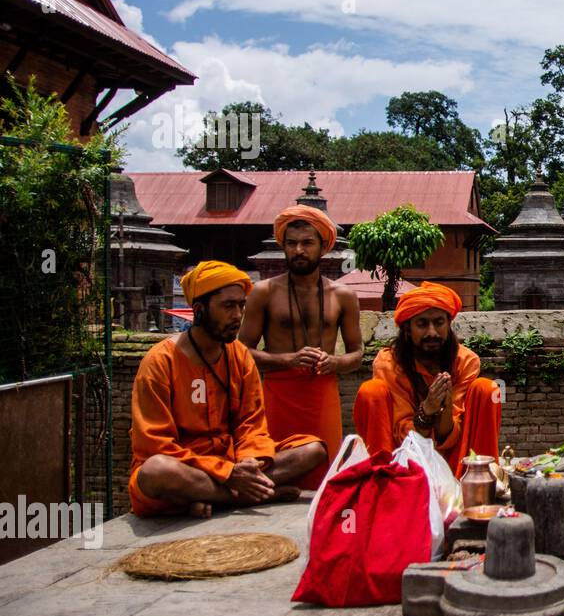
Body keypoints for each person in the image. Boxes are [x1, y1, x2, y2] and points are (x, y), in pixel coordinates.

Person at [129, 260, 327, 518]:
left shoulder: (239, 356)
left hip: (234, 461)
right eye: (228, 306)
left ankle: (212, 497)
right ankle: (239, 496)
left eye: (241, 306)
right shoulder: (159, 362)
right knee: (155, 471)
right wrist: (227, 474)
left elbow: (252, 425)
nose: (237, 316)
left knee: (313, 450)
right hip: (185, 467)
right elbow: (154, 445)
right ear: (199, 310)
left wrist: (249, 462)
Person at [239, 205, 362, 488]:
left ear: (324, 247)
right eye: (291, 244)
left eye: (307, 243)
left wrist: (335, 362)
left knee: (323, 477)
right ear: (283, 246)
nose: (299, 251)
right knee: (277, 472)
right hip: (277, 395)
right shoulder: (264, 292)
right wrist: (288, 360)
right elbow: (241, 351)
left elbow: (357, 354)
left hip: (322, 393)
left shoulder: (343, 295)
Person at [352, 282, 501, 476]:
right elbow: (403, 435)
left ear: (449, 324)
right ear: (407, 328)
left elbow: (450, 437)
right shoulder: (388, 362)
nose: (432, 332)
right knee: (371, 391)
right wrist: (427, 411)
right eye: (422, 324)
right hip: (402, 459)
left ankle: (481, 478)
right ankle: (383, 482)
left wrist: (445, 409)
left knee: (487, 389)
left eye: (439, 323)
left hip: (455, 462)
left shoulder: (465, 361)